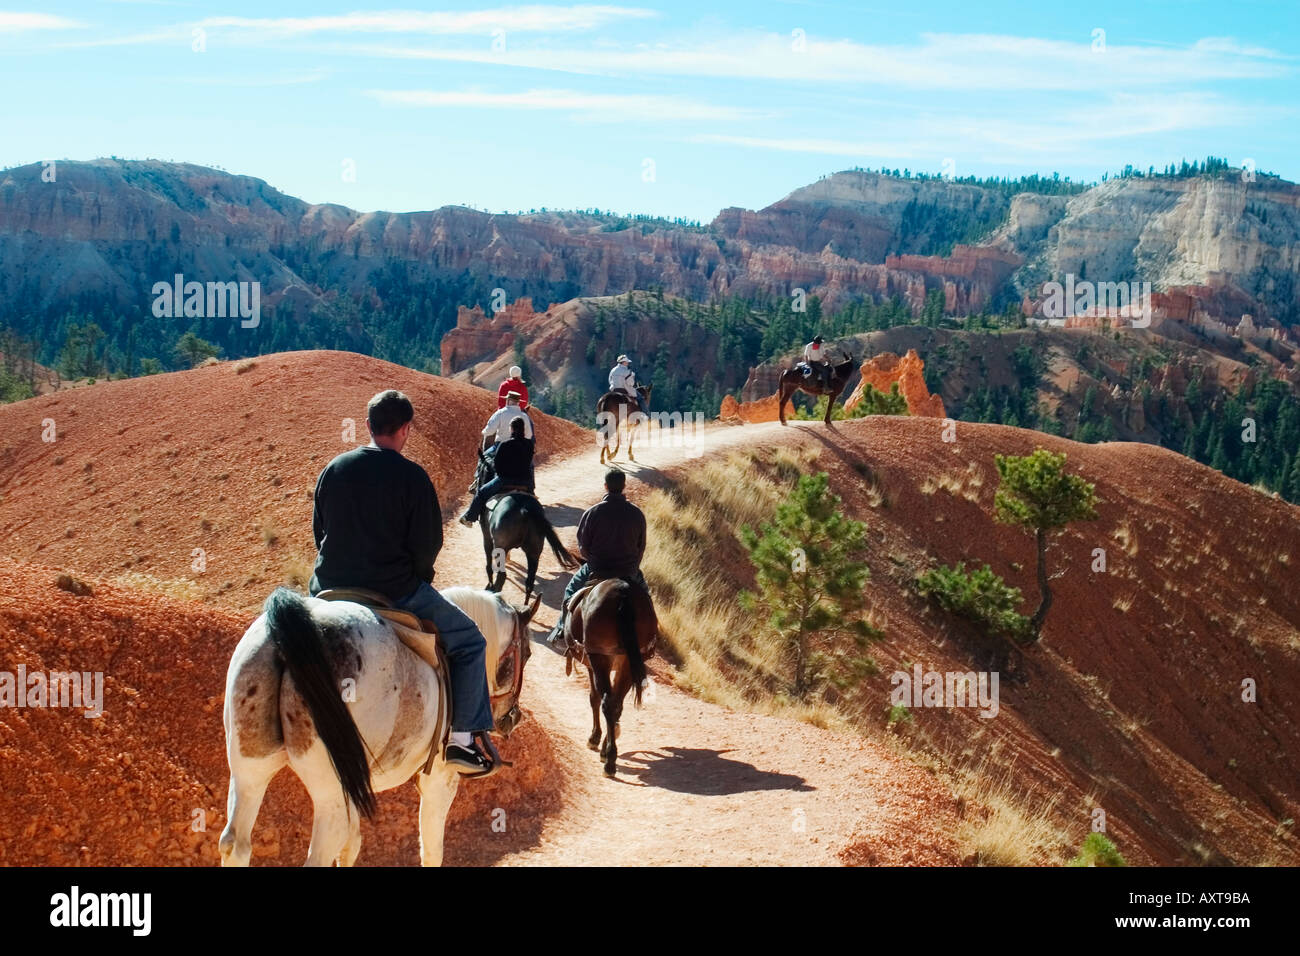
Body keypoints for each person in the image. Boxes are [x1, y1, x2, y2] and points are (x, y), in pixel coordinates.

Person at [309, 389, 498, 775]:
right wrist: (419, 581)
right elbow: (427, 545)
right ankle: (462, 741)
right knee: (469, 641)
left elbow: (320, 532)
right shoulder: (413, 477)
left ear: (368, 427)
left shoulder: (335, 467)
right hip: (392, 589)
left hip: (327, 586)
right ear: (406, 430)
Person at [544, 468, 648, 652]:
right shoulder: (637, 514)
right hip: (628, 570)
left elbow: (583, 546)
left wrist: (593, 560)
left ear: (606, 486)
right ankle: (651, 637)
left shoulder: (593, 512)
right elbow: (641, 547)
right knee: (646, 598)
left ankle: (561, 628)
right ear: (624, 486)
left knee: (570, 591)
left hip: (598, 568)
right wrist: (632, 567)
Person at [459, 417, 534, 526]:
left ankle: (469, 517)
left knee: (481, 493)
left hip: (505, 480)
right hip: (525, 483)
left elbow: (497, 464)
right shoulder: (529, 445)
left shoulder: (505, 444)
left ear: (511, 429)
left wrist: (501, 473)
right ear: (523, 429)